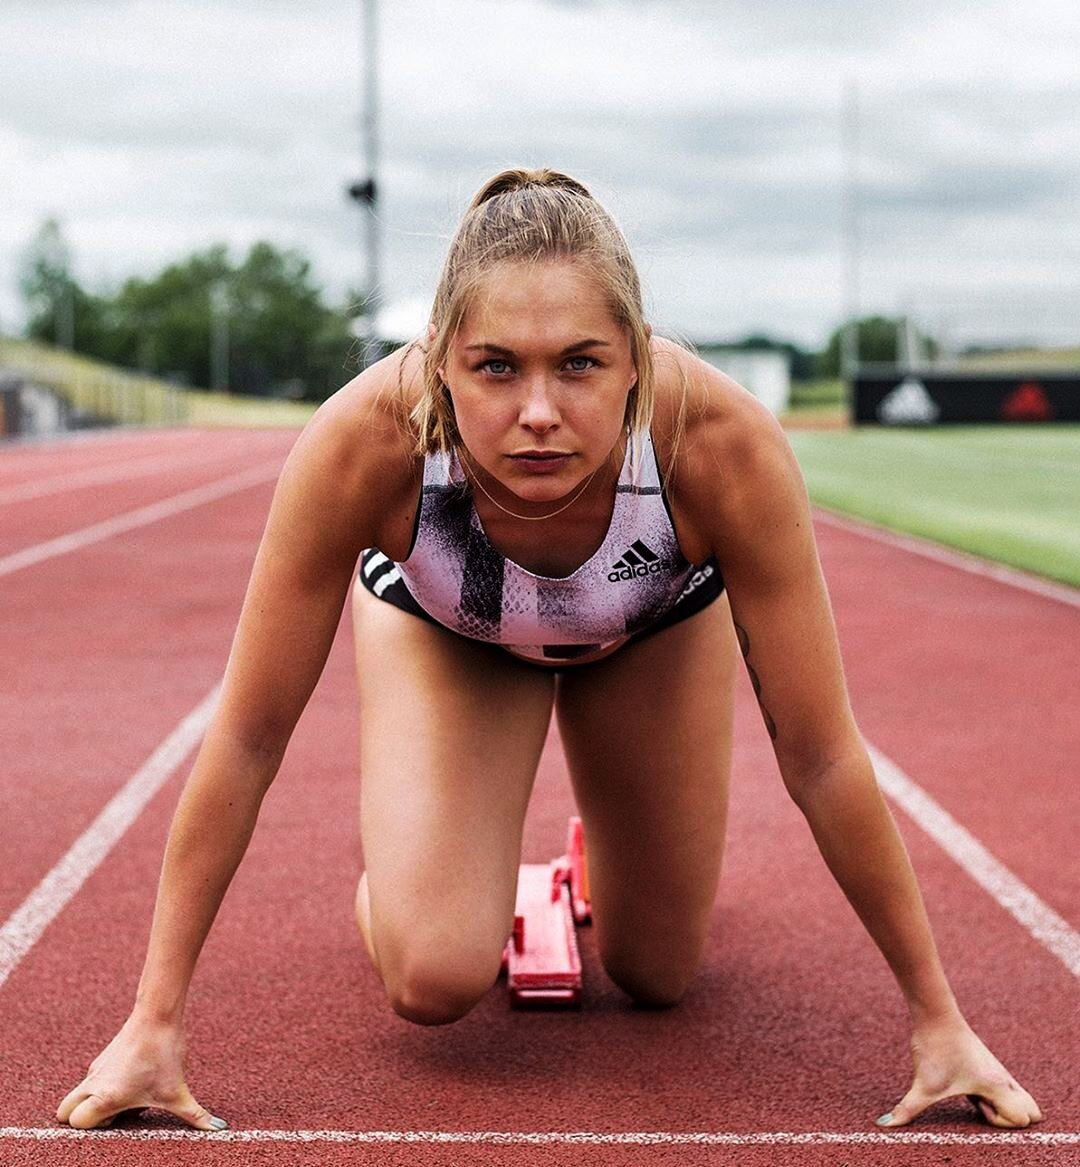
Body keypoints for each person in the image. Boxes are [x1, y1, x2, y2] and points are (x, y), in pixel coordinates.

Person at [58, 168, 1042, 1133]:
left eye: (578, 363)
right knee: (436, 975)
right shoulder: (365, 443)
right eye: (496, 366)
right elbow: (248, 734)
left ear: (637, 362)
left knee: (657, 974)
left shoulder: (720, 445)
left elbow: (821, 751)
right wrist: (153, 1021)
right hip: (453, 632)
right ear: (440, 357)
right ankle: (420, 882)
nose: (537, 410)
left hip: (648, 628)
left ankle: (568, 867)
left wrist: (937, 1019)